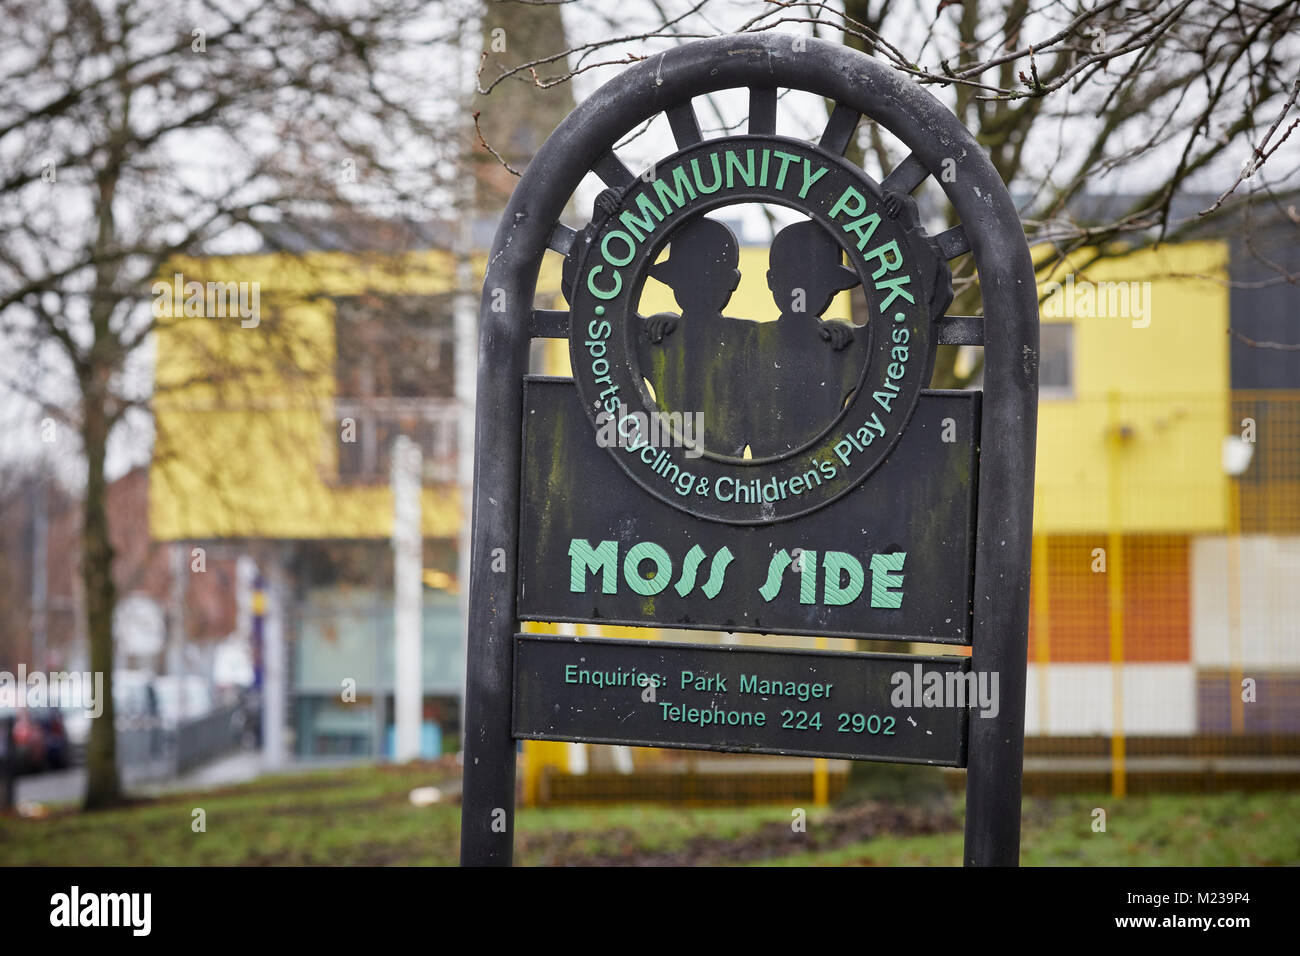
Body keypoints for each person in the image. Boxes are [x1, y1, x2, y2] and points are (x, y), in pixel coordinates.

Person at [637, 216, 756, 457]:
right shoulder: (658, 337)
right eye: (688, 278)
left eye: (708, 277)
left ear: (731, 282)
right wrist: (600, 221)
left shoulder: (749, 338)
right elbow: (593, 311)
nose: (697, 287)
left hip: (721, 473)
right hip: (671, 469)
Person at [745, 220, 863, 457]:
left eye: (812, 281)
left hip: (823, 469)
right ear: (771, 281)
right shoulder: (752, 340)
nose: (800, 290)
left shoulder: (838, 343)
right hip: (772, 472)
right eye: (792, 278)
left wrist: (850, 330)